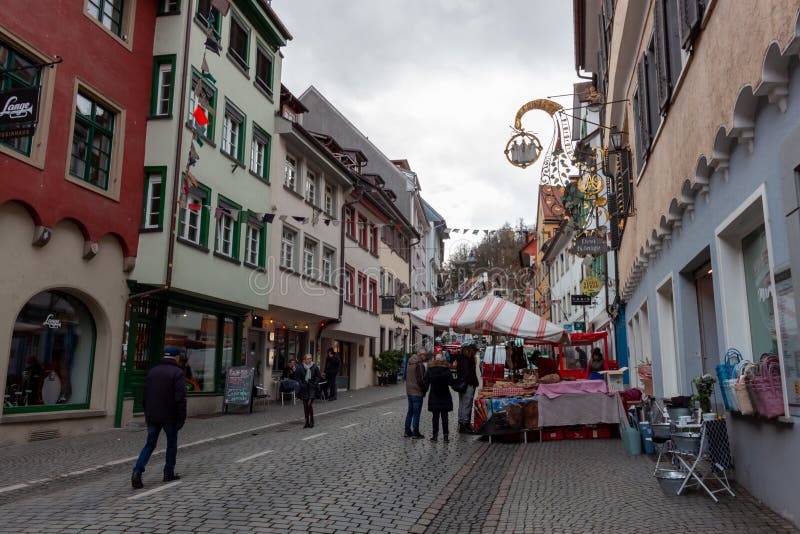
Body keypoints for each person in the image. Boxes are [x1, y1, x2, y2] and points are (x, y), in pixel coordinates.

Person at [131, 346, 187, 489]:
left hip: (152, 415)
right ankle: (168, 472)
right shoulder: (178, 372)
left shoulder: (153, 371)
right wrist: (181, 417)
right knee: (171, 444)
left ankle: (137, 471)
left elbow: (144, 394)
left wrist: (147, 412)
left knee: (150, 444)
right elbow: (180, 397)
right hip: (170, 415)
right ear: (176, 357)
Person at [424, 352, 456, 442]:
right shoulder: (446, 370)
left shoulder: (430, 370)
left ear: (435, 360)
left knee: (435, 417)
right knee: (445, 417)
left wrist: (423, 391)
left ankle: (435, 436)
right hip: (445, 395)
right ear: (442, 360)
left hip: (434, 395)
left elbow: (426, 382)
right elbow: (451, 382)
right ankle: (446, 436)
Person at [404, 348, 429, 439]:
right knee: (416, 413)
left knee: (410, 412)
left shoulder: (409, 362)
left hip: (409, 391)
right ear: (420, 355)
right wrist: (424, 389)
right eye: (425, 355)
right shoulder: (419, 364)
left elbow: (405, 376)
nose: (425, 357)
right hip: (417, 392)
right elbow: (420, 379)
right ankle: (415, 432)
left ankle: (407, 431)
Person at [456, 342, 480, 433]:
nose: (476, 353)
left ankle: (461, 423)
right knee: (466, 404)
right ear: (471, 350)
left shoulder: (461, 358)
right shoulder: (468, 359)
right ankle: (464, 424)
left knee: (462, 404)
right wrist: (473, 382)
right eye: (475, 351)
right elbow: (468, 373)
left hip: (462, 384)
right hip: (467, 384)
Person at [295, 353, 322, 428]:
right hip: (304, 389)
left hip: (312, 388)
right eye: (308, 358)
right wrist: (301, 384)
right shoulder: (300, 367)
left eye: (310, 358)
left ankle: (312, 420)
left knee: (309, 404)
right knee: (305, 406)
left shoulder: (315, 367)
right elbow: (298, 378)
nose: (309, 360)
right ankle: (307, 422)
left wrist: (315, 383)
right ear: (304, 360)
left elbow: (319, 377)